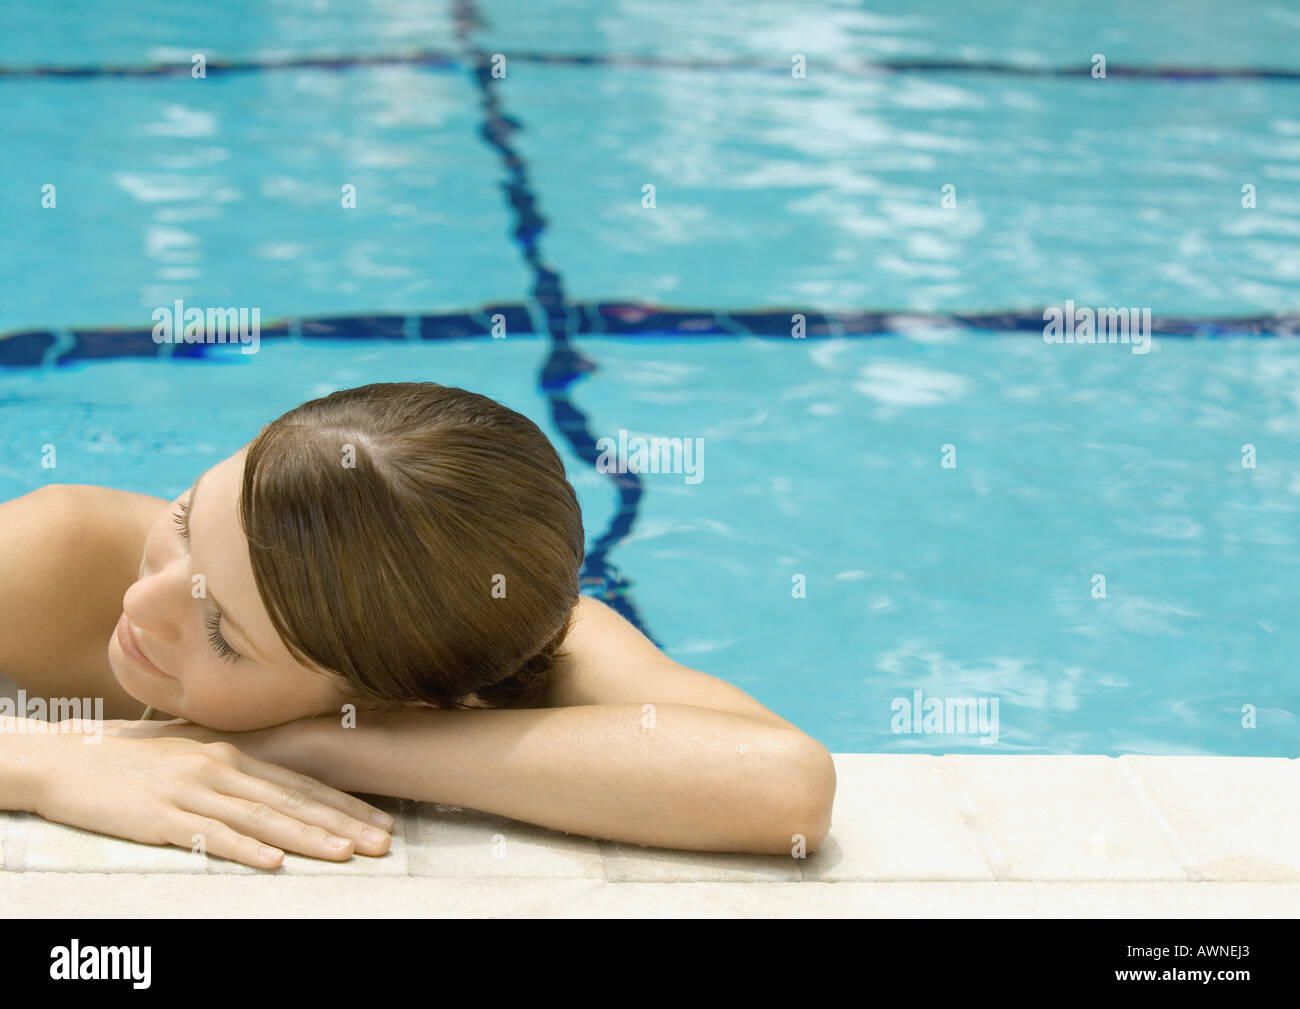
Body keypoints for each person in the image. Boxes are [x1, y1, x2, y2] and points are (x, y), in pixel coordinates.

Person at [0, 382, 834, 868]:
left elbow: (786, 786)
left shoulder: (502, 644)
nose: (145, 603)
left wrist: (332, 745)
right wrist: (51, 765)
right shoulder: (59, 552)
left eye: (222, 631)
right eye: (186, 520)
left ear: (384, 693)